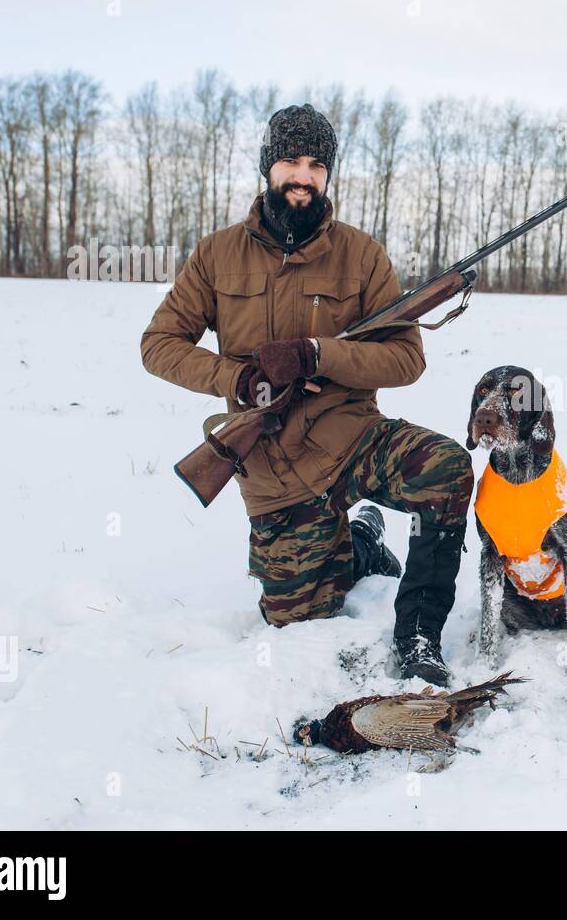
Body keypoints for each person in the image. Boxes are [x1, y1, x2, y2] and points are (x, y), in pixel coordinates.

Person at [141, 104, 472, 685]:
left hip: (354, 438)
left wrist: (319, 354)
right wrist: (236, 379)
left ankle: (418, 633)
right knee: (297, 620)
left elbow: (406, 358)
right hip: (271, 466)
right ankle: (362, 544)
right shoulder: (216, 255)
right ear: (268, 167)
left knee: (446, 470)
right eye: (291, 160)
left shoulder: (361, 254)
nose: (303, 175)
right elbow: (158, 343)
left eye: (317, 164)